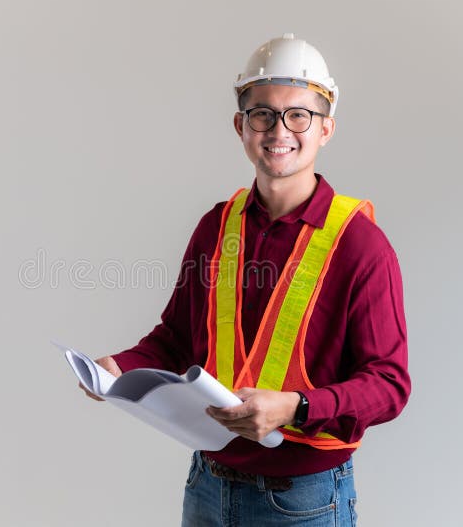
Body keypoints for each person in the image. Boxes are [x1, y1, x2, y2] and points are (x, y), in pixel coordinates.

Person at [82, 33, 410, 526]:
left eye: (298, 114)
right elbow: (174, 339)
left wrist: (297, 407)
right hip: (208, 486)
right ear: (241, 125)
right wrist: (117, 367)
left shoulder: (361, 246)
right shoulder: (217, 227)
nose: (279, 130)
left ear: (326, 129)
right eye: (262, 113)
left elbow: (388, 385)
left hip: (303, 502)